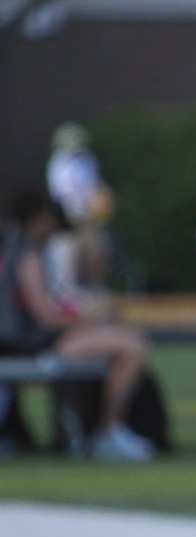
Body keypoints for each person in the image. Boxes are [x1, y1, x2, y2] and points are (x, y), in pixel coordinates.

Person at [0, 189, 156, 462]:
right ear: (37, 220)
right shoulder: (27, 257)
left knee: (122, 337)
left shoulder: (23, 251)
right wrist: (88, 316)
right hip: (36, 343)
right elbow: (45, 317)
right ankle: (108, 432)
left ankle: (90, 430)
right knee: (132, 346)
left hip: (38, 337)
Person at [44, 122, 115, 303]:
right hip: (69, 216)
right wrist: (80, 211)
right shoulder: (57, 163)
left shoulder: (88, 158)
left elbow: (95, 183)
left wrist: (103, 196)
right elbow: (62, 194)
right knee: (70, 252)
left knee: (97, 250)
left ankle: (94, 288)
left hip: (89, 215)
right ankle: (70, 290)